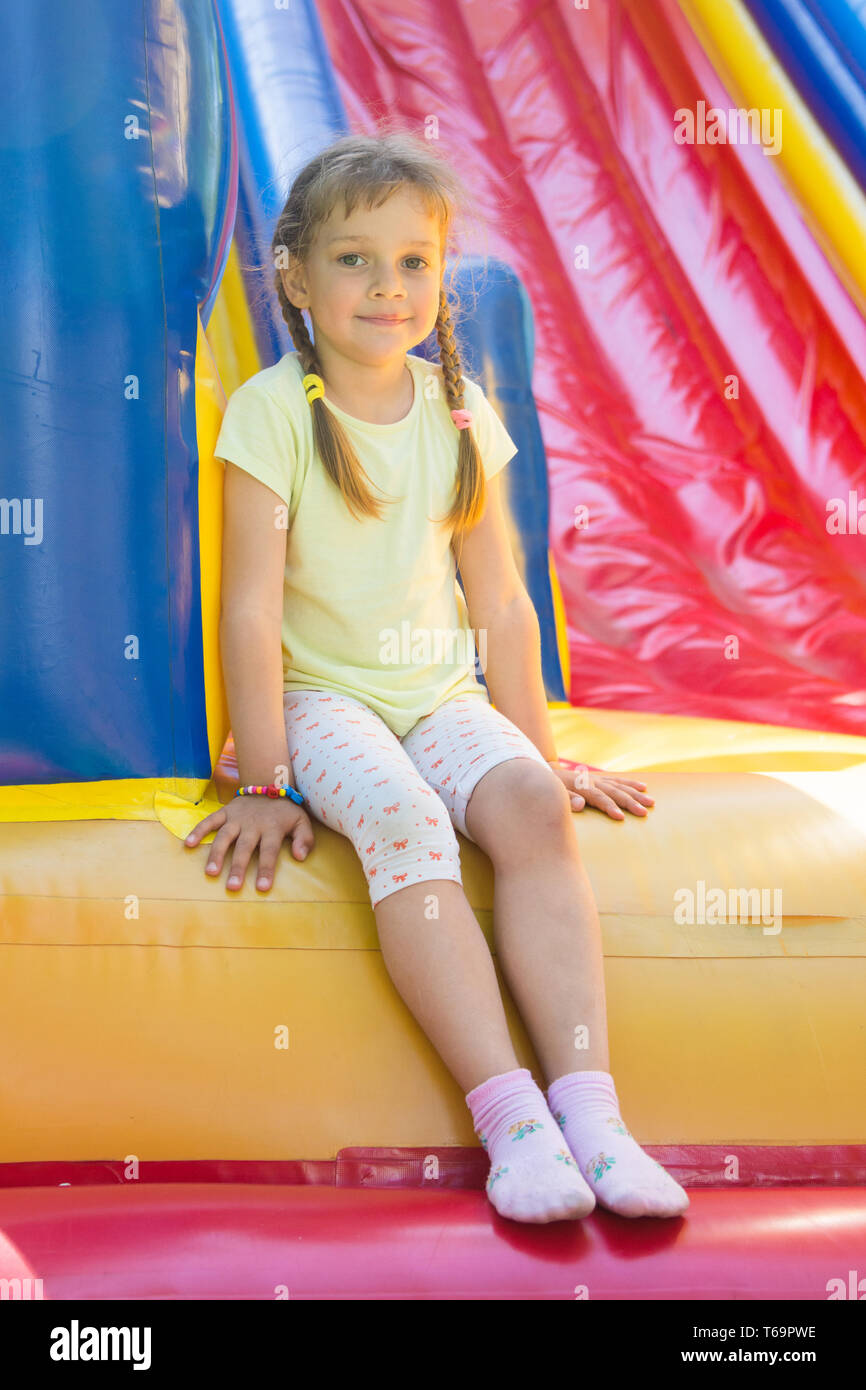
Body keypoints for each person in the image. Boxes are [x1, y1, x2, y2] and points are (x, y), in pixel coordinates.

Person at [185, 128, 689, 1225]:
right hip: (325, 701)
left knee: (525, 809)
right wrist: (266, 778)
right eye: (355, 259)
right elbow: (251, 606)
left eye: (414, 261)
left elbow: (504, 603)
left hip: (437, 696)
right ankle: (510, 1120)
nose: (388, 285)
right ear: (297, 279)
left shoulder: (459, 413)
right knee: (407, 820)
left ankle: (590, 1115)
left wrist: (540, 757)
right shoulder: (275, 413)